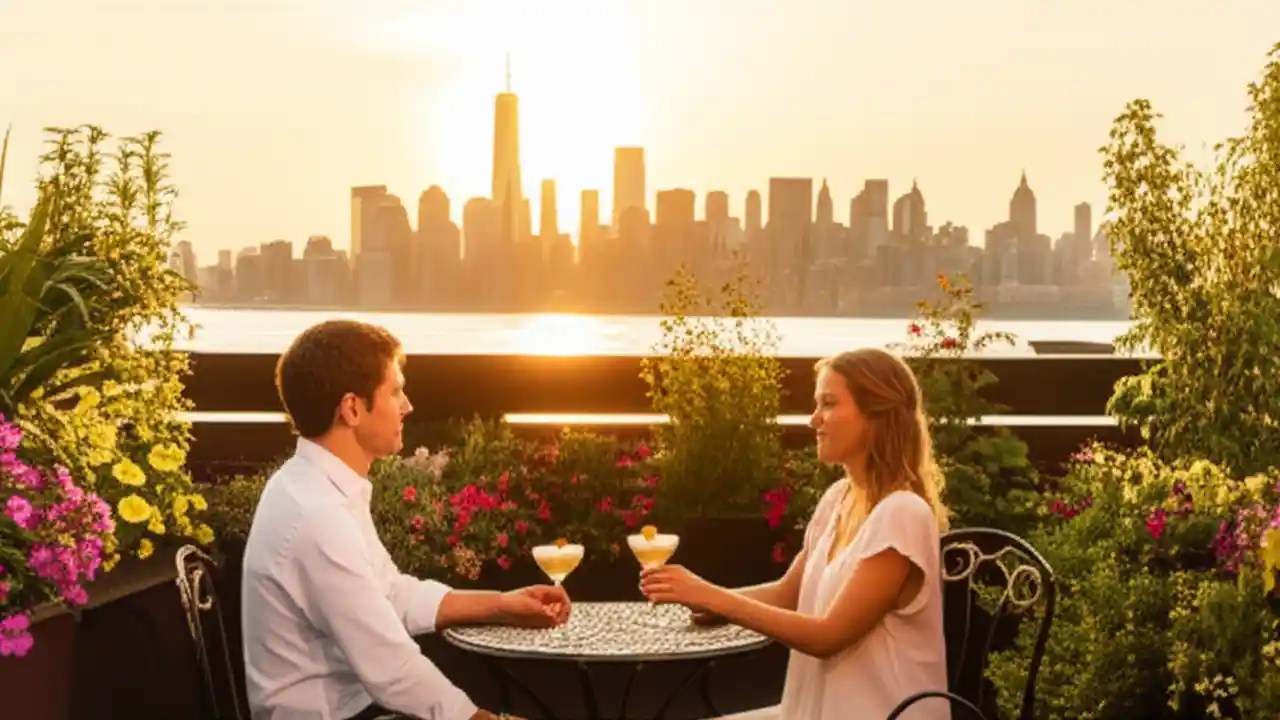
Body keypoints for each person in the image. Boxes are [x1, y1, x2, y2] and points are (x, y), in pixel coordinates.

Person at [242, 319, 569, 720]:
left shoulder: (316, 488)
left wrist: (502, 605)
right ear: (352, 408)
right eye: (395, 390)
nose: (408, 406)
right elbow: (389, 667)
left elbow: (390, 594)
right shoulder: (317, 515)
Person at [640, 348, 950, 719]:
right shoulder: (839, 499)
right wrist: (701, 598)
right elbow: (789, 594)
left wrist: (715, 599)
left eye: (829, 404)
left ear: (876, 415)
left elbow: (827, 636)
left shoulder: (903, 514)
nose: (813, 419)